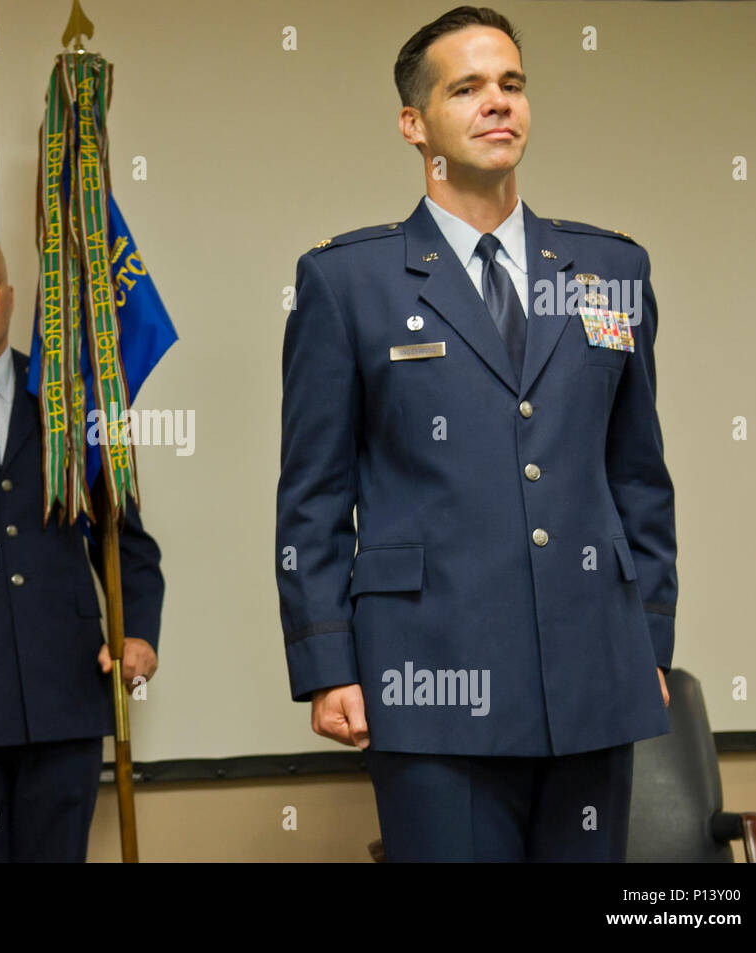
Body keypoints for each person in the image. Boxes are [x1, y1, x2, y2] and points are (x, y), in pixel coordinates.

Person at [276, 7, 676, 862]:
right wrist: (326, 660)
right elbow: (312, 494)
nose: (498, 103)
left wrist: (649, 640)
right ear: (415, 124)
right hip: (430, 675)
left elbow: (638, 476)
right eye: (468, 88)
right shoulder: (349, 281)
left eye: (512, 84)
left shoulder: (609, 270)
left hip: (593, 672)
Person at [0, 229, 163, 862]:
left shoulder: (68, 398)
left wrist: (137, 631)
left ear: (13, 296)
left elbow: (125, 539)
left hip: (63, 698)